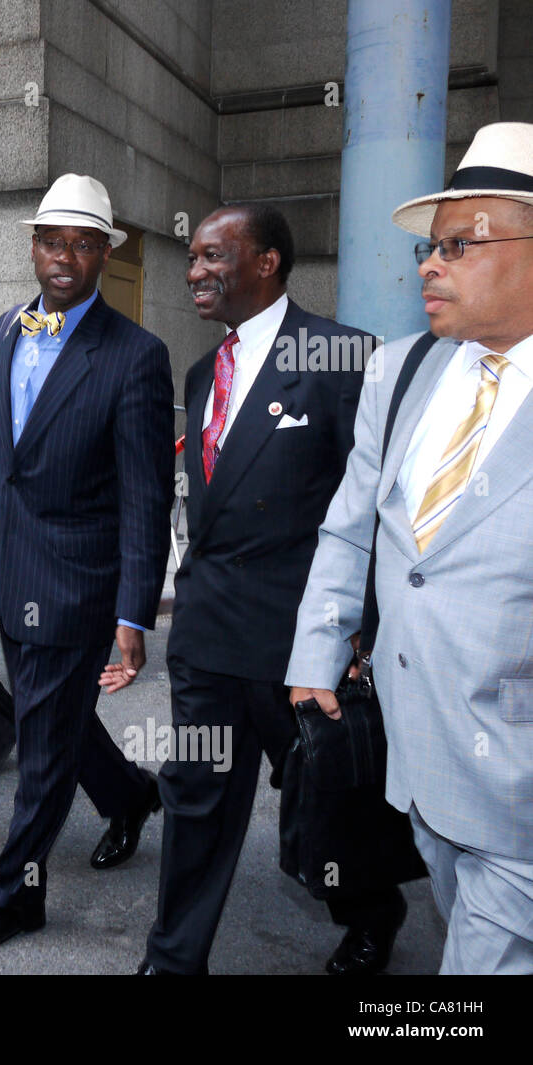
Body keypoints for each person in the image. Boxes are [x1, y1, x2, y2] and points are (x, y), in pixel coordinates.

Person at [287, 122, 533, 974]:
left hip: (520, 784)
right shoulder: (401, 371)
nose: (429, 265)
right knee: (462, 914)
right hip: (417, 760)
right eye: (430, 249)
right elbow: (352, 523)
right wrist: (319, 646)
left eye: (460, 246)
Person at [138, 205, 408, 976]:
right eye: (191, 257)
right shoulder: (201, 373)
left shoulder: (342, 355)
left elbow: (376, 508)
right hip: (207, 642)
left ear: (266, 262)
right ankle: (173, 959)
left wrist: (363, 629)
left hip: (301, 645)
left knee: (326, 798)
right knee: (195, 794)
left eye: (213, 255)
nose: (195, 271)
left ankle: (373, 912)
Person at [0, 174, 173, 950]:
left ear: (104, 254)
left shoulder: (135, 356)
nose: (65, 256)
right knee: (53, 714)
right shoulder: (7, 329)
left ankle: (16, 895)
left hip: (77, 582)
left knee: (39, 740)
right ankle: (130, 794)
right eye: (52, 240)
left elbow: (145, 496)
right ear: (34, 247)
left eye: (83, 243)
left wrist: (134, 612)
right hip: (8, 563)